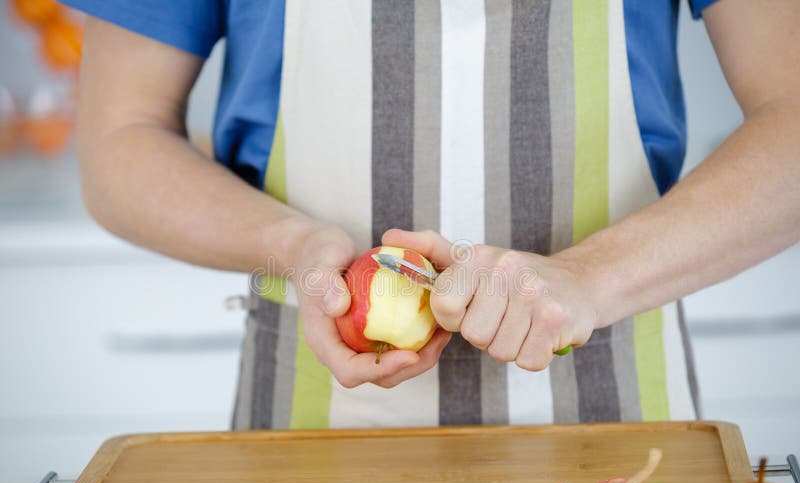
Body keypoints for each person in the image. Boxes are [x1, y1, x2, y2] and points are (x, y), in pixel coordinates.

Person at [63, 0, 800, 429]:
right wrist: (295, 247)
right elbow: (119, 138)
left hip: (615, 417)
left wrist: (590, 278)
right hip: (309, 425)